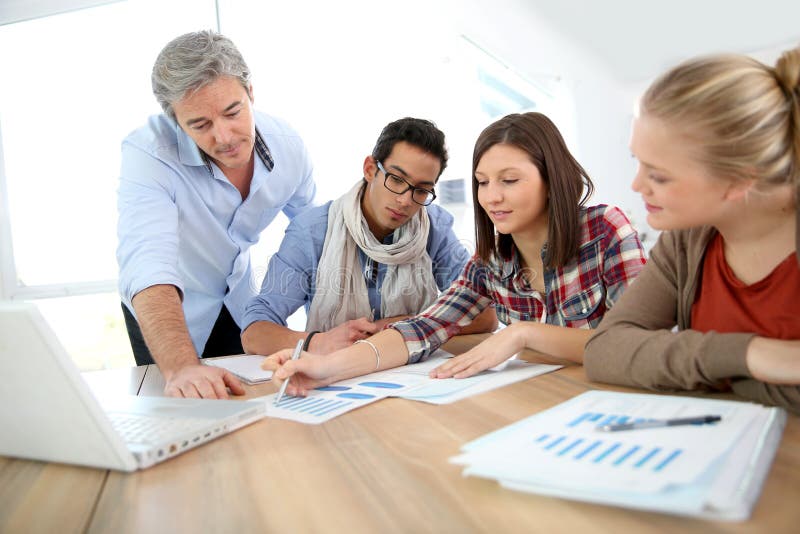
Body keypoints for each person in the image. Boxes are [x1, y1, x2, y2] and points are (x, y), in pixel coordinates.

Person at [263, 112, 647, 395]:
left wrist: (524, 334)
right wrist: (326, 367)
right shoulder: (492, 262)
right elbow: (421, 329)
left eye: (509, 180)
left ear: (552, 179)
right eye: (482, 182)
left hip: (614, 400)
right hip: (539, 401)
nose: (491, 197)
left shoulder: (605, 229)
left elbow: (637, 345)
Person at [584, 47, 800, 413]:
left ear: (737, 182)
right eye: (638, 161)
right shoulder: (688, 240)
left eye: (659, 175)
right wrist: (749, 354)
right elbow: (604, 350)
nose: (637, 186)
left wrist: (688, 370)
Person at [117, 30, 316, 399]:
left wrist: (324, 337)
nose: (224, 136)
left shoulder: (288, 147)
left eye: (232, 112)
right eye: (200, 125)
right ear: (176, 120)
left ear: (250, 92)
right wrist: (181, 367)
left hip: (236, 299)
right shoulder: (148, 154)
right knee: (182, 405)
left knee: (250, 400)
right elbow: (147, 261)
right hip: (167, 307)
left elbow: (314, 238)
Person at [241, 118, 497, 356]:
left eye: (421, 190)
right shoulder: (312, 232)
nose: (405, 200)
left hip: (409, 371)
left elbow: (485, 314)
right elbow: (255, 331)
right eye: (396, 180)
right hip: (336, 373)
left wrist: (397, 326)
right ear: (370, 169)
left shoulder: (434, 227)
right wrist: (319, 342)